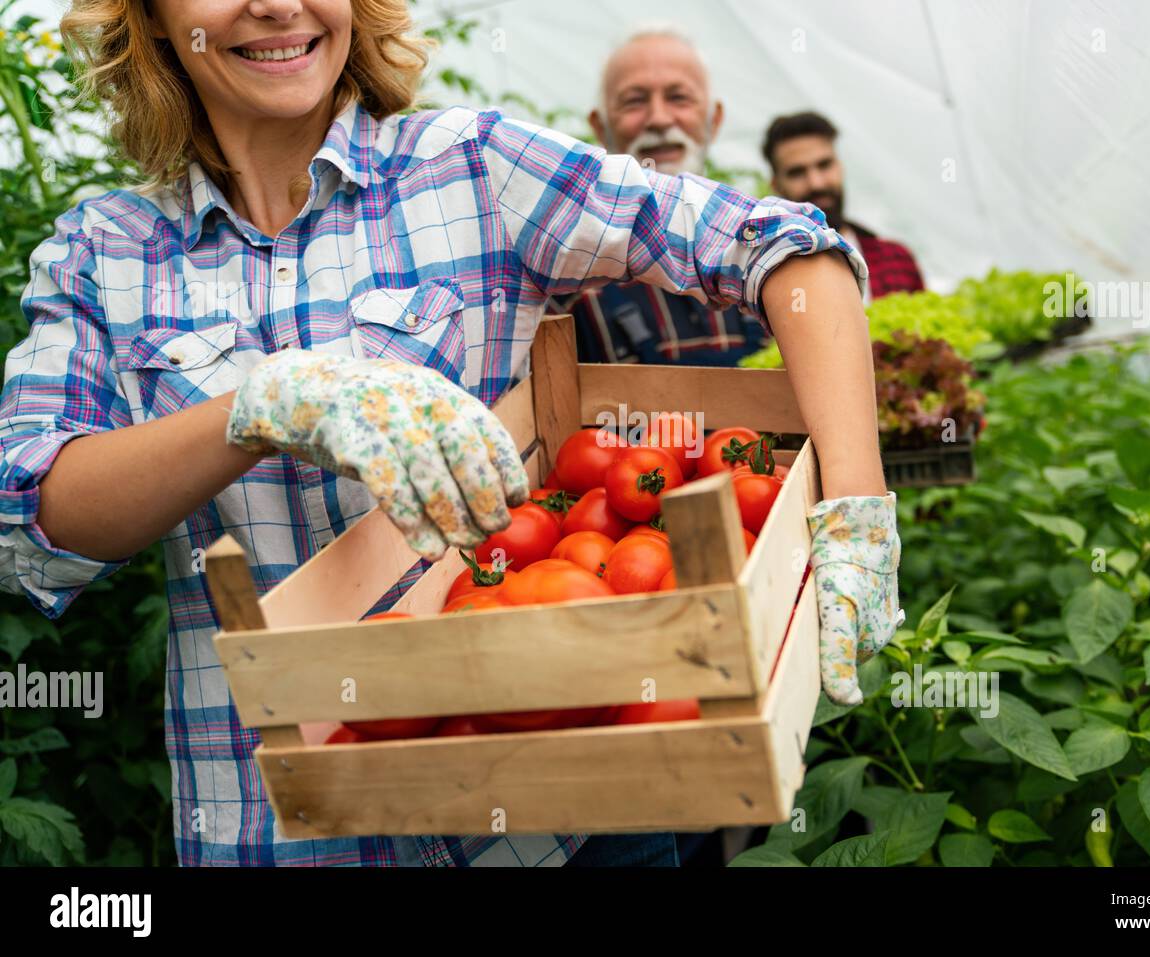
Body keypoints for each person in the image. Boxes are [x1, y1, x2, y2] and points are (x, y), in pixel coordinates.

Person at [0, 0, 902, 867]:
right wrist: (260, 405)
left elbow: (787, 250)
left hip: (556, 824)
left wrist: (856, 504)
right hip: (273, 830)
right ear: (151, 13)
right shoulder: (104, 252)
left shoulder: (472, 168)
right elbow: (34, 522)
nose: (278, 6)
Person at [563, 26, 768, 366]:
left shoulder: (761, 247)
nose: (658, 118)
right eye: (634, 101)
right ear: (601, 127)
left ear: (713, 120)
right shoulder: (570, 271)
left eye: (678, 97)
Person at [763, 111, 926, 301]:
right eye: (797, 173)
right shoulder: (765, 273)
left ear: (840, 166)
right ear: (776, 186)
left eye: (824, 165)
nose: (816, 183)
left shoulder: (896, 259)